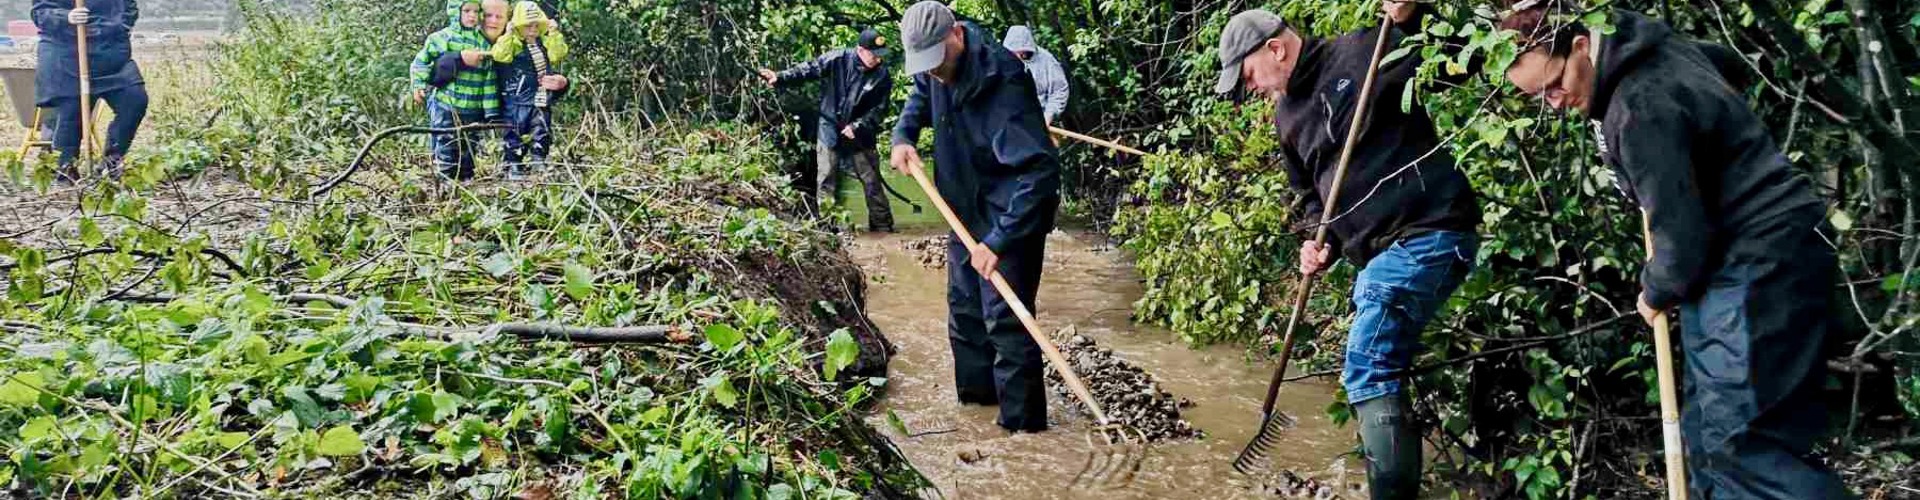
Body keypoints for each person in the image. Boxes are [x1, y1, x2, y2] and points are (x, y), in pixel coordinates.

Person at [1499, 3, 1852, 498]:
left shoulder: (1639, 105)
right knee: (1708, 436)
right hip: (1734, 256)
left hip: (1762, 255)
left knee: (1744, 444)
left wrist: (1655, 290)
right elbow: (1727, 65)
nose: (1553, 103)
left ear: (1581, 45)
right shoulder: (1652, 48)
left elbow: (1681, 238)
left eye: (1554, 84)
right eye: (1538, 97)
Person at [1215, 5, 1481, 497]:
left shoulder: (1365, 50)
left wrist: (1414, 14)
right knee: (1378, 351)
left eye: (1248, 74)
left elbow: (1457, 56)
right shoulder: (1286, 116)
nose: (1247, 88)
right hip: (1382, 251)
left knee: (1368, 357)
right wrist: (1318, 243)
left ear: (1275, 48)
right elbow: (1311, 198)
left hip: (1432, 229)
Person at [890, 1, 1062, 433]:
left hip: (1012, 214)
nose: (931, 72)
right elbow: (918, 96)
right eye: (923, 65)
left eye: (936, 62)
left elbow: (1039, 172)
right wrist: (903, 135)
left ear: (957, 36)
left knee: (1006, 323)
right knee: (965, 314)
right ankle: (976, 409)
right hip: (964, 207)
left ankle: (1023, 435)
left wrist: (999, 241)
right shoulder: (932, 69)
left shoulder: (1004, 82)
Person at [759, 28, 896, 232]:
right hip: (829, 129)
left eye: (880, 55)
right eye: (873, 54)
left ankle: (883, 228)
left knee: (872, 182)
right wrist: (780, 77)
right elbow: (808, 69)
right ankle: (828, 229)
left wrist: (858, 126)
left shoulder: (882, 76)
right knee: (826, 180)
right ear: (860, 50)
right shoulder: (837, 59)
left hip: (860, 135)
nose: (877, 59)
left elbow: (880, 110)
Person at [31, 0, 149, 182]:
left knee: (135, 100)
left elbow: (129, 8)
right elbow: (40, 13)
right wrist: (66, 17)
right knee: (71, 113)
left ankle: (111, 163)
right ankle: (66, 173)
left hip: (111, 55)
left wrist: (119, 25)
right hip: (67, 55)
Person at [410, 0, 498, 181]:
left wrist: (491, 110)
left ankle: (467, 180)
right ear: (455, 12)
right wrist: (417, 84)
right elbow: (421, 62)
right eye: (466, 11)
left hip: (473, 107)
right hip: (447, 103)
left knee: (470, 145)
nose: (472, 16)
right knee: (446, 142)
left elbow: (489, 79)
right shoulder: (443, 38)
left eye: (476, 11)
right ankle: (446, 180)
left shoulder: (483, 43)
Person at [490, 1, 570, 179]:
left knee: (541, 127)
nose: (532, 29)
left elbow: (558, 54)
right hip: (517, 98)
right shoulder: (515, 44)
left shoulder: (544, 43)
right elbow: (500, 55)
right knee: (515, 130)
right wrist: (509, 34)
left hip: (540, 95)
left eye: (536, 25)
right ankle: (514, 164)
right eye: (528, 25)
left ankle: (538, 160)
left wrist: (553, 33)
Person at [1001, 26, 1068, 125]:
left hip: (1043, 118)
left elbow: (1059, 91)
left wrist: (1048, 116)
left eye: (1022, 53)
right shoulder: (1002, 62)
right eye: (1014, 53)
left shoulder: (1047, 60)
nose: (1019, 57)